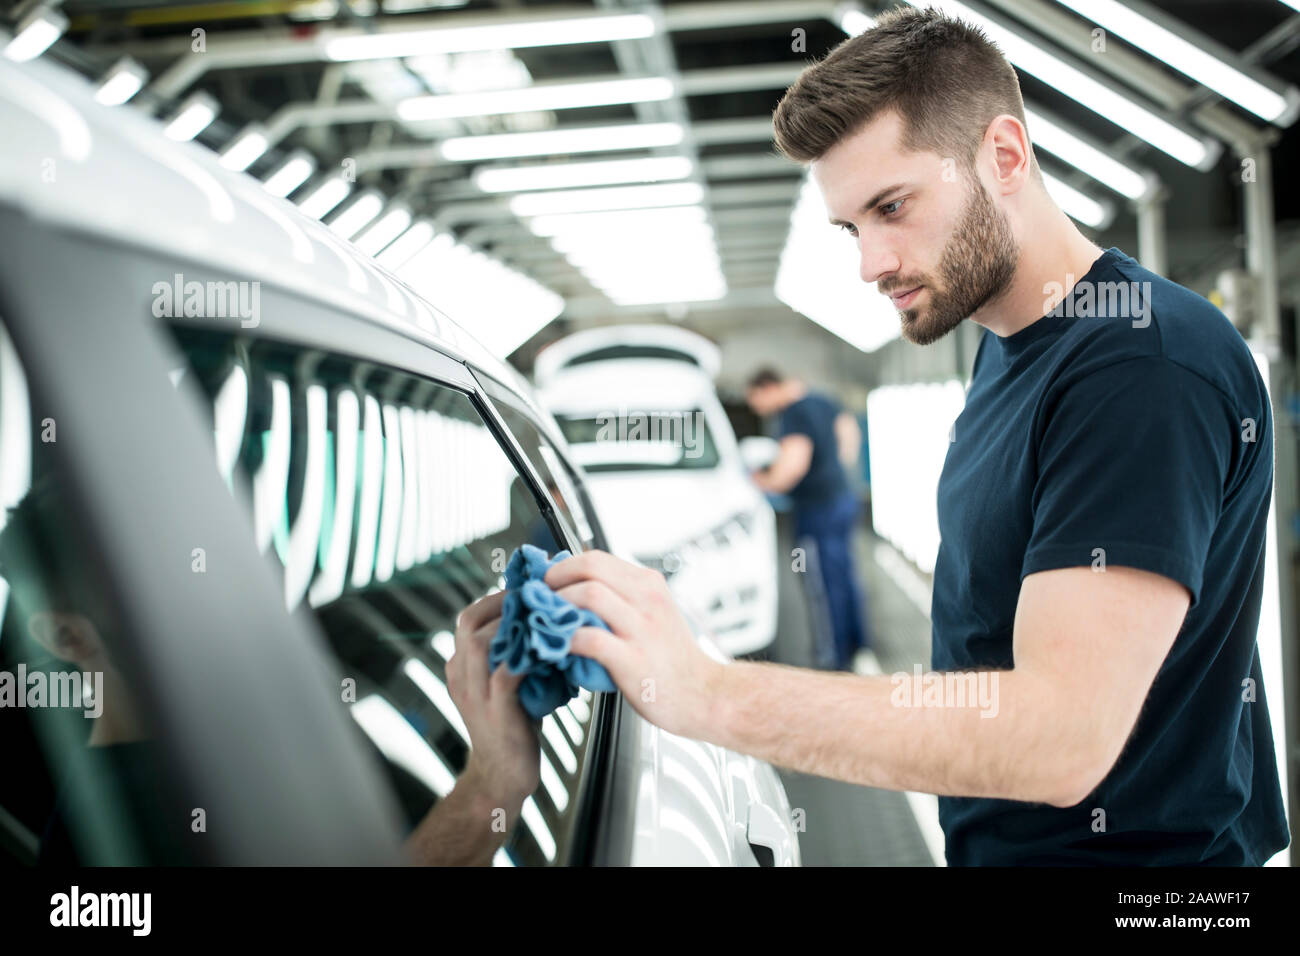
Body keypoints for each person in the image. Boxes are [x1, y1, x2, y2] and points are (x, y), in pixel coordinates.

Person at [456, 6, 1291, 866]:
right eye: (853, 226)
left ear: (1004, 156)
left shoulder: (1139, 364)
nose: (871, 262)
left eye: (893, 206)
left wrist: (705, 690)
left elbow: (1062, 738)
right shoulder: (1013, 344)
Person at [744, 368, 875, 672]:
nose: (756, 408)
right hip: (842, 499)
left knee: (819, 581)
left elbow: (792, 466)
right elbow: (849, 436)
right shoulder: (823, 400)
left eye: (755, 400)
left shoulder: (794, 413)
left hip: (816, 509)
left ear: (767, 387)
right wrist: (835, 472)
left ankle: (835, 656)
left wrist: (760, 481)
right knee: (844, 573)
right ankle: (859, 647)